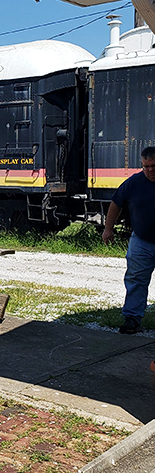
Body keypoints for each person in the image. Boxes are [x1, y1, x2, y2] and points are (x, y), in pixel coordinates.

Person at [102, 145, 155, 338]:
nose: (150, 170)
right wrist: (108, 229)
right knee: (136, 279)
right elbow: (116, 202)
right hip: (142, 241)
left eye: (154, 166)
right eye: (146, 166)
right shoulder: (134, 183)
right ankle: (132, 319)